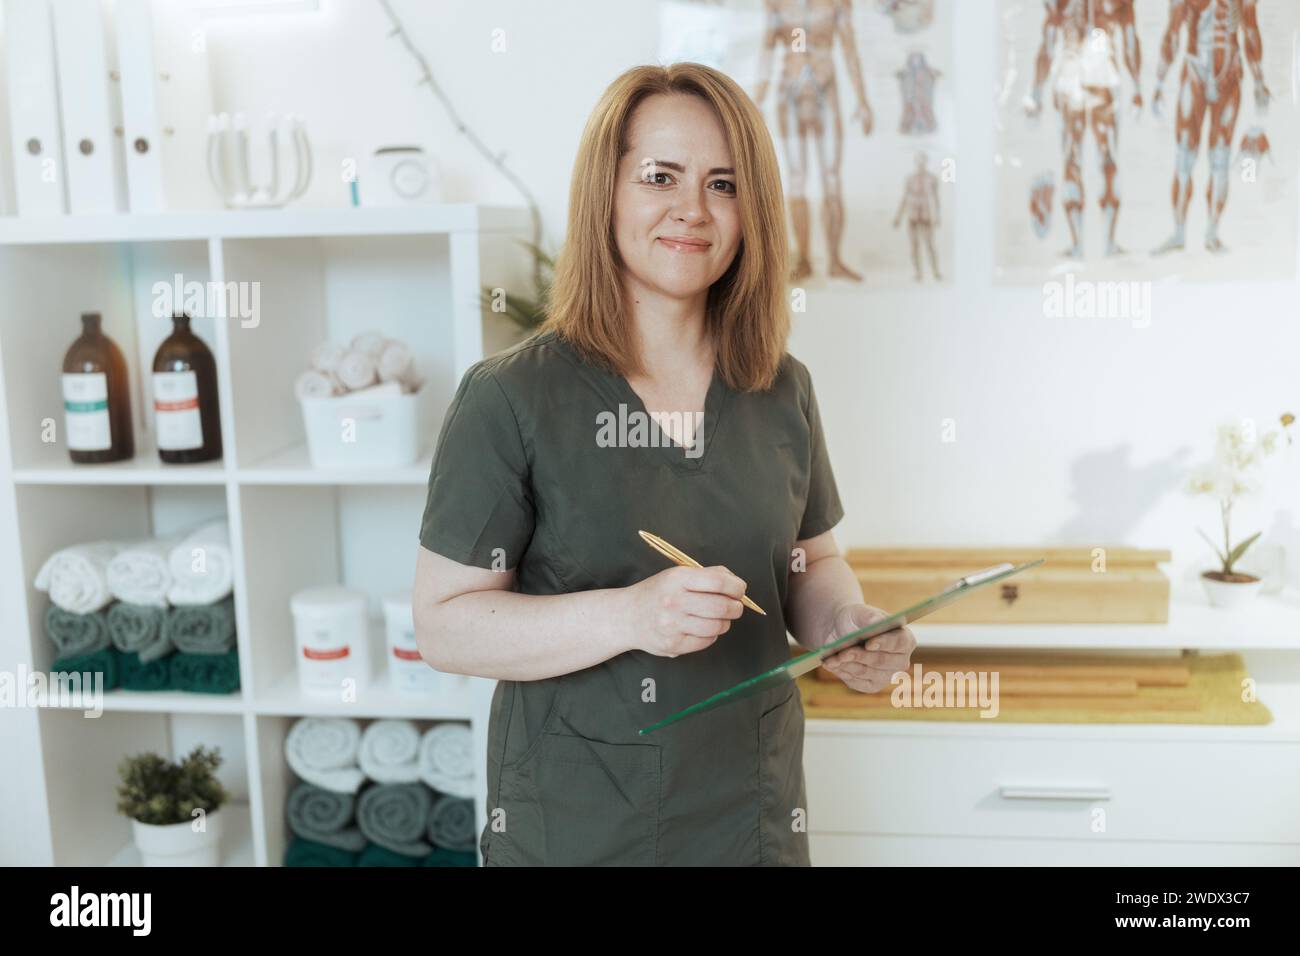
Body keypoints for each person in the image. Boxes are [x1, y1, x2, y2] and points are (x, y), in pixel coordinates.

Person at [413, 62, 916, 867]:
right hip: (575, 829)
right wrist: (629, 617)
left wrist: (844, 627)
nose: (693, 209)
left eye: (723, 183)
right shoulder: (510, 398)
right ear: (605, 193)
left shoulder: (780, 388)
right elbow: (444, 625)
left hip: (749, 818)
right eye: (660, 177)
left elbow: (812, 563)